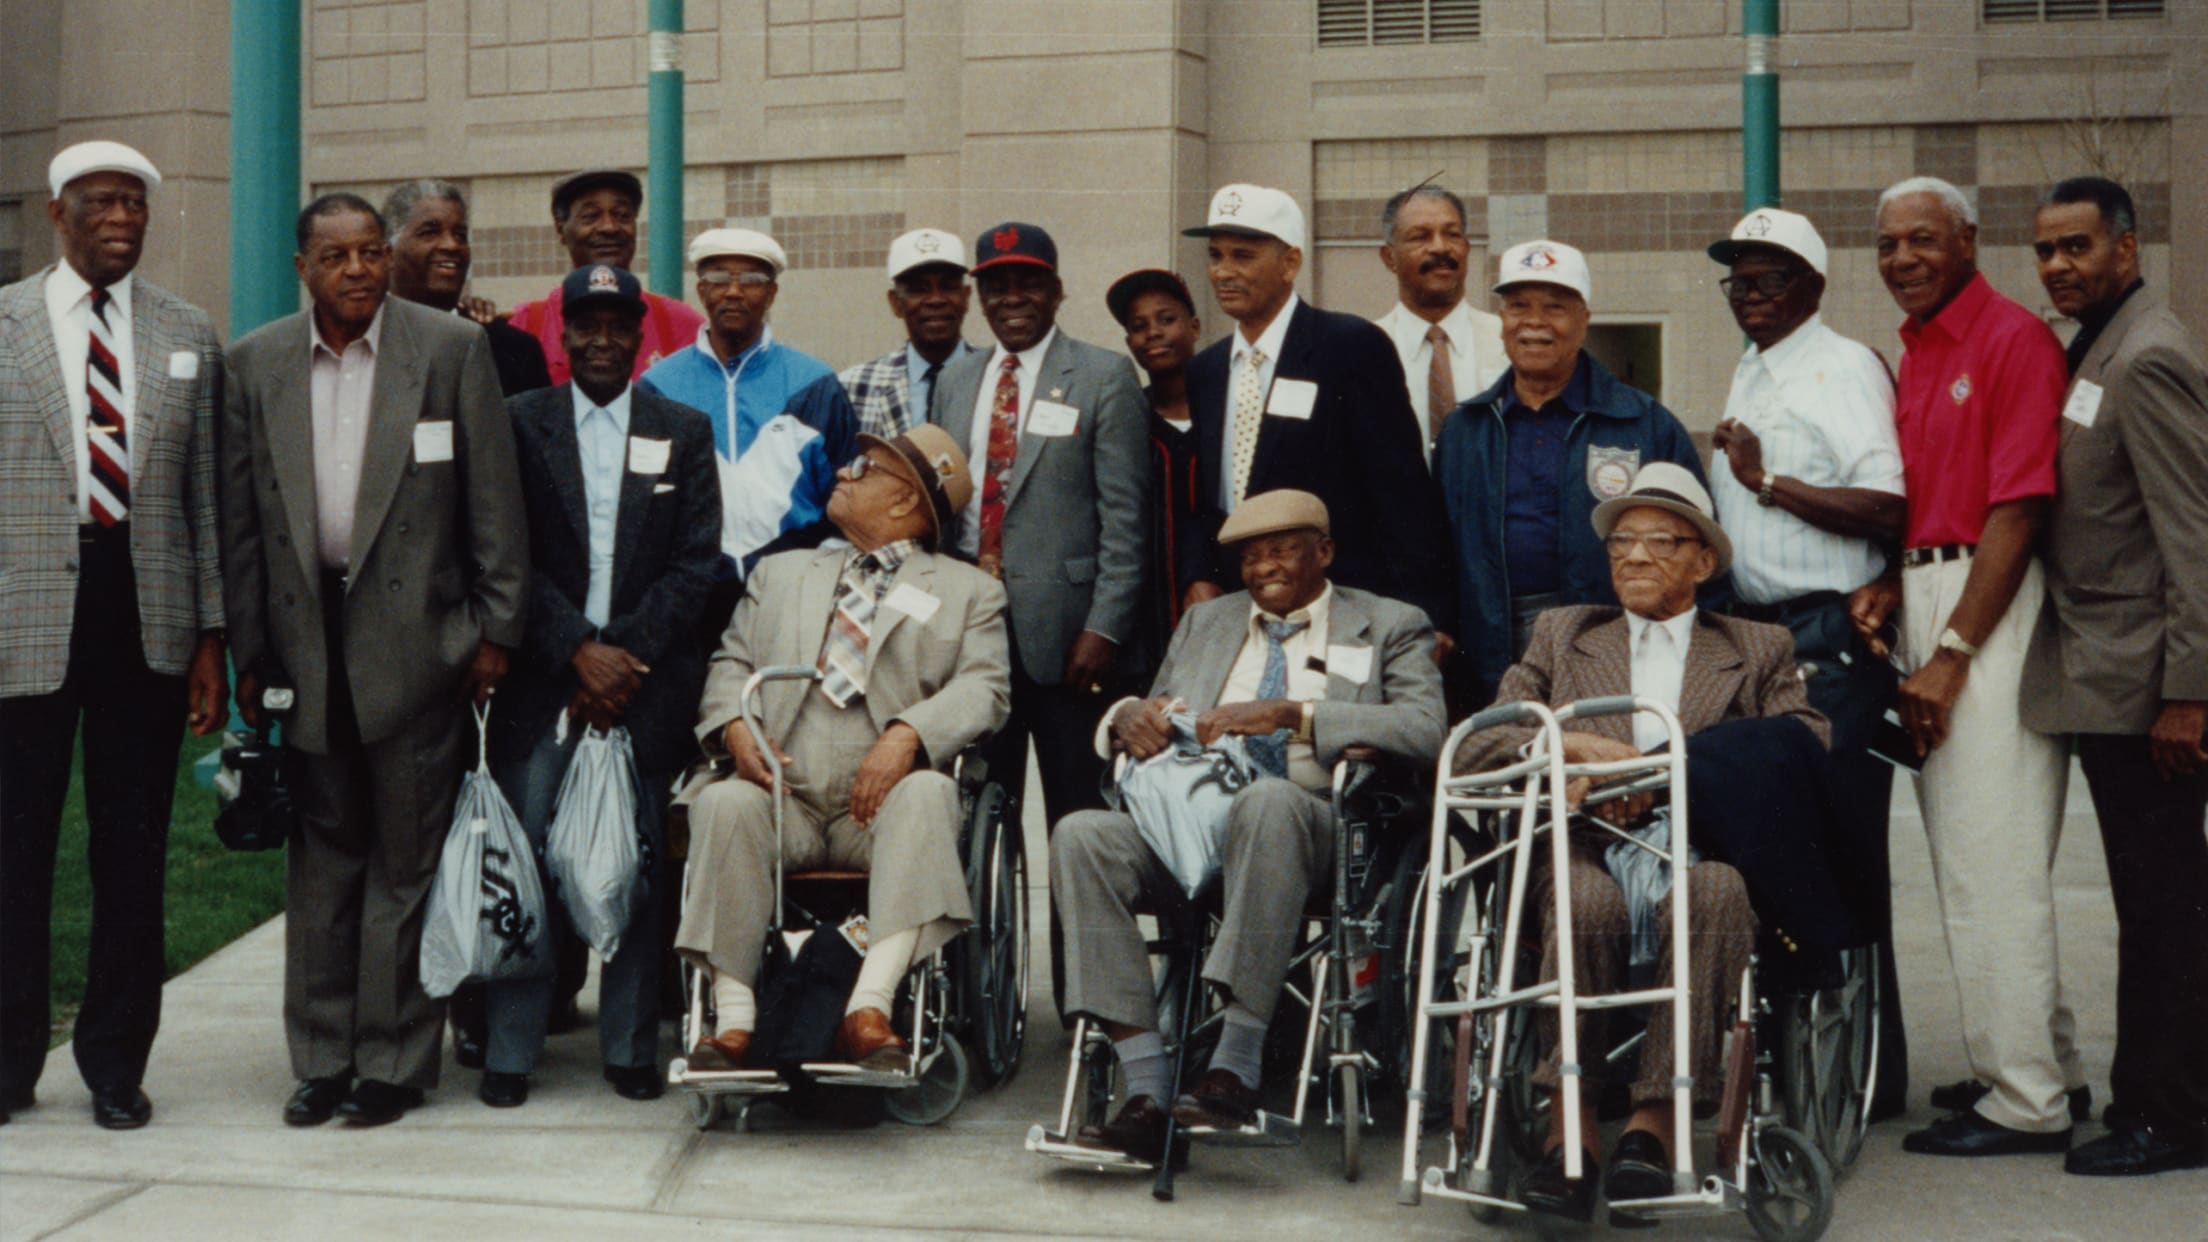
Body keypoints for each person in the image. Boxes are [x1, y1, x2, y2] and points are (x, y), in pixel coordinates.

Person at [220, 193, 528, 1128]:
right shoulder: (255, 364)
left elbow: (494, 507)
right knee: (322, 861)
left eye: (368, 253)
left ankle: (392, 1062)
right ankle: (321, 1059)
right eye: (335, 256)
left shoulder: (449, 351)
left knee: (407, 859)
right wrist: (247, 649)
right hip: (304, 637)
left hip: (419, 646)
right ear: (303, 269)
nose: (356, 269)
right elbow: (241, 523)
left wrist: (493, 632)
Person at [1455, 464, 1828, 1222]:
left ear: (1703, 562)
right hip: (1582, 842)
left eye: (1660, 542)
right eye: (1622, 541)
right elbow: (1477, 749)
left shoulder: (1757, 646)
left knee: (1716, 892)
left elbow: (1803, 750)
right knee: (1583, 899)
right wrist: (1578, 746)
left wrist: (1666, 780)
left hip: (1701, 843)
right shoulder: (1564, 634)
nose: (1634, 557)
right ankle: (1572, 1134)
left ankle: (1653, 1126)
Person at [1055, 489, 1445, 1164]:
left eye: (1283, 550)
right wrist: (1124, 716)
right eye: (1251, 555)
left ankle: (1232, 1066)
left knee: (1269, 804)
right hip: (1194, 824)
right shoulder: (1209, 621)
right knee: (1081, 835)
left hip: (1319, 825)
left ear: (1324, 551)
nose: (1264, 567)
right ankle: (1147, 1091)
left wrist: (1295, 715)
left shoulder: (1387, 622)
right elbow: (1157, 703)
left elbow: (1424, 729)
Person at [1848, 175, 2084, 1158]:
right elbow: (1939, 500)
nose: (1903, 258)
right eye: (1888, 244)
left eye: (1923, 240)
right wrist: (1899, 589)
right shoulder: (1916, 352)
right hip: (1935, 591)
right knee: (1975, 856)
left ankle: (2024, 1100)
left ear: (1969, 241)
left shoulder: (2010, 342)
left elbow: (2018, 510)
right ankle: (2039, 1062)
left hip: (1988, 612)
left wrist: (1949, 653)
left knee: (1994, 860)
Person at [0, 141, 227, 1131]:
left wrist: (213, 638)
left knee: (130, 853)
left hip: (147, 614)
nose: (121, 221)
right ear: (59, 216)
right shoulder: (3, 323)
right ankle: (8, 1064)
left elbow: (205, 502)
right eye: (101, 205)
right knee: (15, 850)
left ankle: (114, 1063)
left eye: (135, 205)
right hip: (23, 617)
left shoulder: (187, 331)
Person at [676, 426, 1009, 1074]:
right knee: (722, 805)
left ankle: (870, 1008)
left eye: (867, 468)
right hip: (782, 795)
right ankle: (736, 1022)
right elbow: (730, 661)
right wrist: (736, 729)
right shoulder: (781, 571)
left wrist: (910, 734)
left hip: (880, 808)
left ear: (905, 503)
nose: (846, 472)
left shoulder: (969, 591)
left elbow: (986, 687)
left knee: (931, 792)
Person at [475, 265, 721, 1109]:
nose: (606, 341)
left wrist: (621, 658)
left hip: (642, 685)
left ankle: (626, 1048)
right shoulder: (517, 424)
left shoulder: (681, 429)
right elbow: (506, 556)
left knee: (634, 865)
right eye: (588, 326)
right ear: (564, 336)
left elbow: (698, 564)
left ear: (643, 338)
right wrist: (577, 649)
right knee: (529, 862)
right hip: (547, 683)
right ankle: (512, 1049)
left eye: (622, 326)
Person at [1703, 206, 1910, 1120]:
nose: (1750, 296)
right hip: (1754, 633)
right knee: (1770, 840)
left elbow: (1886, 507)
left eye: (1769, 280)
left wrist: (1765, 484)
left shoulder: (1843, 365)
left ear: (1813, 289)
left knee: (1837, 846)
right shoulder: (1758, 364)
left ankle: (1869, 1073)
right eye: (1739, 281)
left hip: (1827, 636)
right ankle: (1795, 1056)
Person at [2020, 177, 2208, 1178]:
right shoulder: (2096, 347)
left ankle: (2169, 1118)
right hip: (2108, 675)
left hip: (2150, 690)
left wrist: (2191, 694)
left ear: (2127, 249)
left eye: (2077, 248)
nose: (2058, 267)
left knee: (2165, 903)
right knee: (2154, 899)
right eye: (2046, 251)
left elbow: (2197, 536)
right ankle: (2165, 1097)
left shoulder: (2151, 356)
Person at [927, 221, 1150, 832]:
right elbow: (943, 512)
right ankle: (986, 933)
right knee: (978, 818)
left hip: (1070, 639)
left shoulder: (1103, 376)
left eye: (1028, 284)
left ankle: (1074, 933)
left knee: (1076, 817)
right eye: (996, 287)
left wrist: (1103, 627)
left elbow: (1127, 521)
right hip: (972, 634)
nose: (1011, 298)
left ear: (1056, 292)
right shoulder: (956, 379)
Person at [1435, 239, 1710, 710]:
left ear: (1584, 319)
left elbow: (1700, 550)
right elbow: (1437, 547)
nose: (1534, 323)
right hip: (1491, 642)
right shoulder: (1466, 429)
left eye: (1555, 308)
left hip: (1613, 639)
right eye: (1518, 306)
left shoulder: (1644, 424)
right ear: (1501, 320)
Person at [1178, 184, 1453, 636]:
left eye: (1242, 256)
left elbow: (1402, 496)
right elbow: (1209, 497)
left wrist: (1427, 616)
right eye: (1216, 256)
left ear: (1290, 263)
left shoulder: (1349, 347)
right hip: (1238, 609)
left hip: (1340, 607)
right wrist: (1199, 573)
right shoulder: (1207, 370)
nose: (1223, 272)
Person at [639, 227, 860, 635]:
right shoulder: (658, 386)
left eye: (752, 280)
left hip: (794, 591)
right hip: (691, 598)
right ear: (702, 290)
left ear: (772, 293)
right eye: (720, 279)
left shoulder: (814, 384)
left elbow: (847, 500)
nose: (735, 291)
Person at [504, 169, 704, 384]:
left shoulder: (682, 325)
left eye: (622, 215)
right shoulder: (524, 324)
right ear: (560, 228)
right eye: (590, 216)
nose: (609, 227)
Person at [1106, 267, 1204, 664]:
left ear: (1194, 326)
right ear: (1129, 342)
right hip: (1145, 623)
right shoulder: (1125, 419)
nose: (1153, 333)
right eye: (1138, 326)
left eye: (1167, 319)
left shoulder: (1228, 407)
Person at [380, 179, 550, 398]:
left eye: (460, 235)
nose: (451, 245)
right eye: (430, 232)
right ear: (388, 251)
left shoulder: (514, 349)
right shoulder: (360, 340)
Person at [1370, 183, 1506, 456]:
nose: (1440, 247)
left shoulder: (1508, 342)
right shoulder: (1365, 348)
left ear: (1466, 248)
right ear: (1389, 257)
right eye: (1420, 237)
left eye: (1452, 234)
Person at [839, 228, 976, 440]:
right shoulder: (853, 387)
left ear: (966, 297)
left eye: (948, 287)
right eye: (919, 289)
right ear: (895, 303)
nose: (936, 299)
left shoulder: (996, 378)